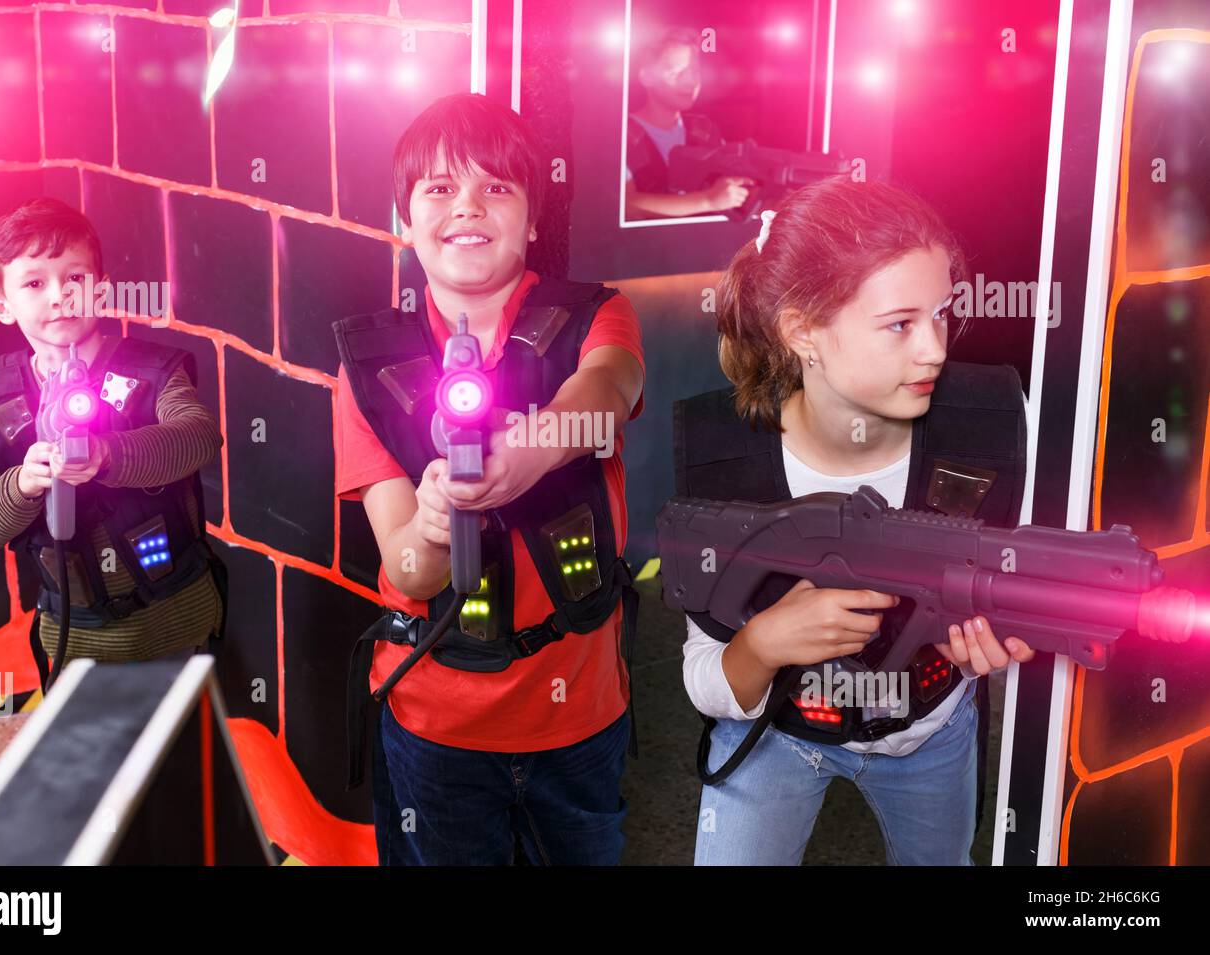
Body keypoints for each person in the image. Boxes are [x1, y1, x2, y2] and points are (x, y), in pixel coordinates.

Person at [677, 177, 1036, 865]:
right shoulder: (725, 461)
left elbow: (1025, 586)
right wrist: (763, 643)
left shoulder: (990, 423)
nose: (934, 348)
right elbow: (704, 671)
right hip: (774, 729)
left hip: (926, 732)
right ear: (802, 333)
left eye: (942, 314)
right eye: (900, 324)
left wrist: (1001, 639)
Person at [333, 93, 645, 865]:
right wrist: (439, 517)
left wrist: (524, 452)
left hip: (576, 715)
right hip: (436, 724)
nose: (467, 206)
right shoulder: (365, 369)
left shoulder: (596, 315)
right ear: (404, 218)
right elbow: (405, 566)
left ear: (533, 217)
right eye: (438, 189)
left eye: (495, 187)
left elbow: (606, 397)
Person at [0, 198, 226, 677]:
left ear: (101, 289)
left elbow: (199, 436)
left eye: (75, 277)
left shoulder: (151, 372)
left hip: (178, 623)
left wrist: (107, 454)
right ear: (1, 305)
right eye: (34, 283)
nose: (60, 295)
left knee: (188, 749)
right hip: (74, 642)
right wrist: (25, 482)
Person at [624, 25, 751, 219]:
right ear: (646, 77)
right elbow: (624, 205)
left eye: (695, 72)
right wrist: (707, 200)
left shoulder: (704, 130)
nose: (690, 81)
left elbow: (732, 184)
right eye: (676, 72)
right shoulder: (623, 135)